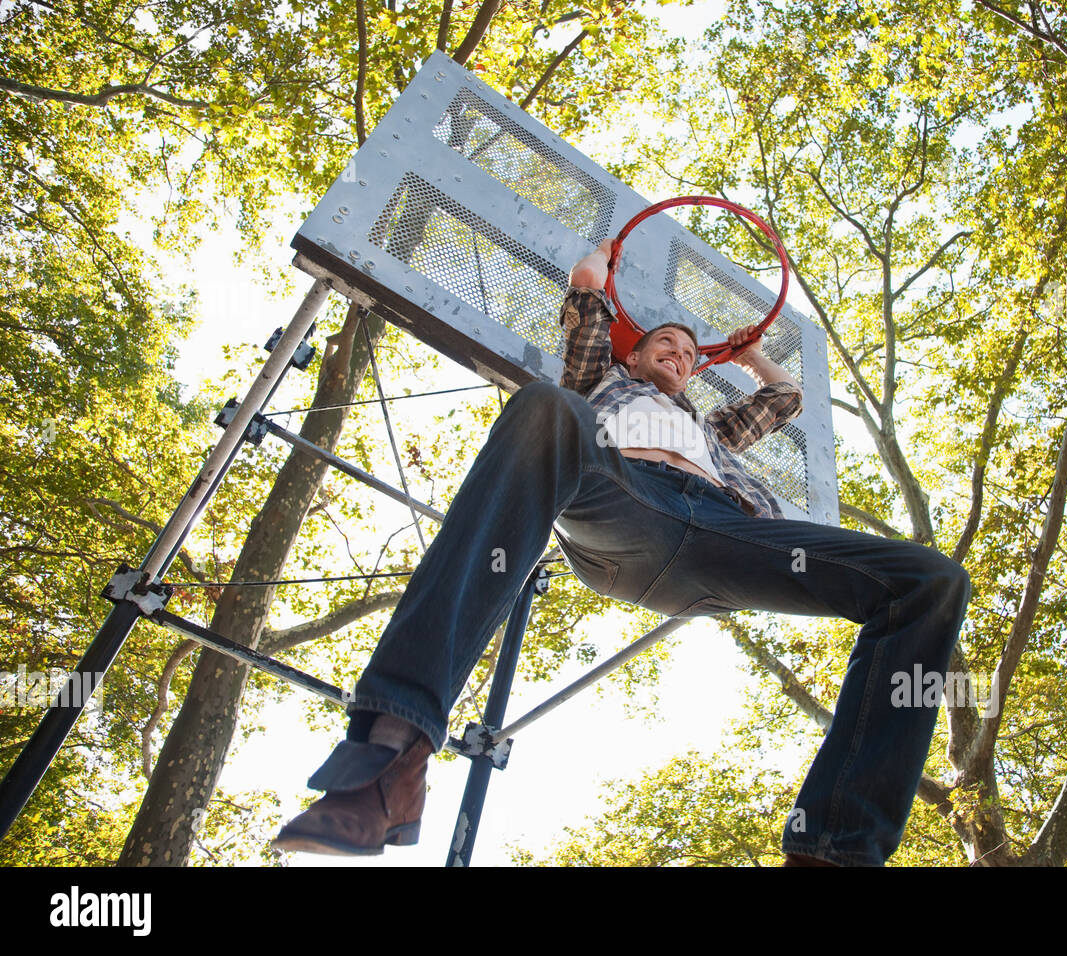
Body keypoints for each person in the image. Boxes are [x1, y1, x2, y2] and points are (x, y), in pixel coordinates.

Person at [272, 241, 971, 865]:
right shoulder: (600, 382)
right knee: (546, 407)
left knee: (930, 582)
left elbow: (783, 394)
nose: (680, 354)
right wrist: (597, 265)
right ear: (632, 355)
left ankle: (836, 848)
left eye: (691, 355)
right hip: (627, 507)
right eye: (665, 343)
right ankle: (391, 755)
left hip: (729, 536)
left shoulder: (713, 429)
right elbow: (586, 306)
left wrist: (746, 348)